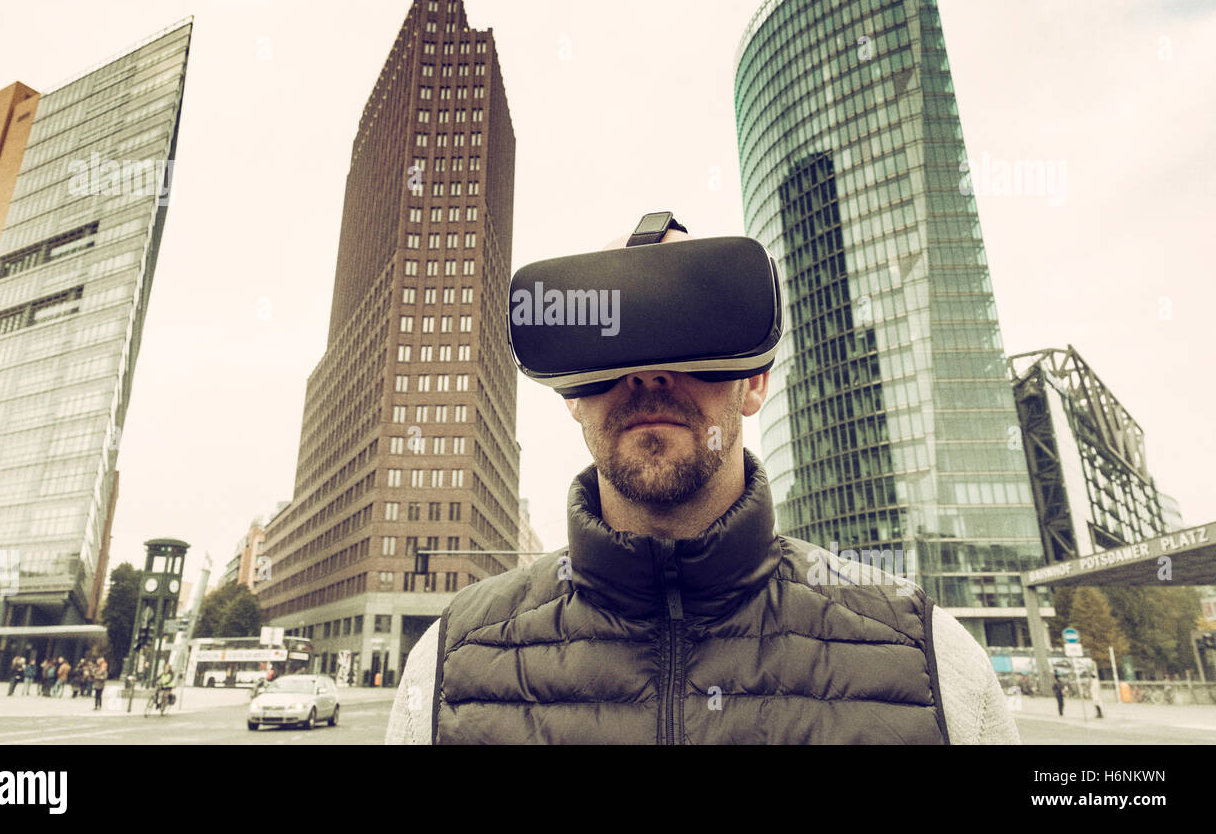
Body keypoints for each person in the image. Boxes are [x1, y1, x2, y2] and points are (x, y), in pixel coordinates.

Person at [385, 219, 1020, 745]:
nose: (647, 372)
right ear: (572, 398)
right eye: (608, 340)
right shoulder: (449, 665)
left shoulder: (928, 659)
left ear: (755, 382)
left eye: (690, 333)